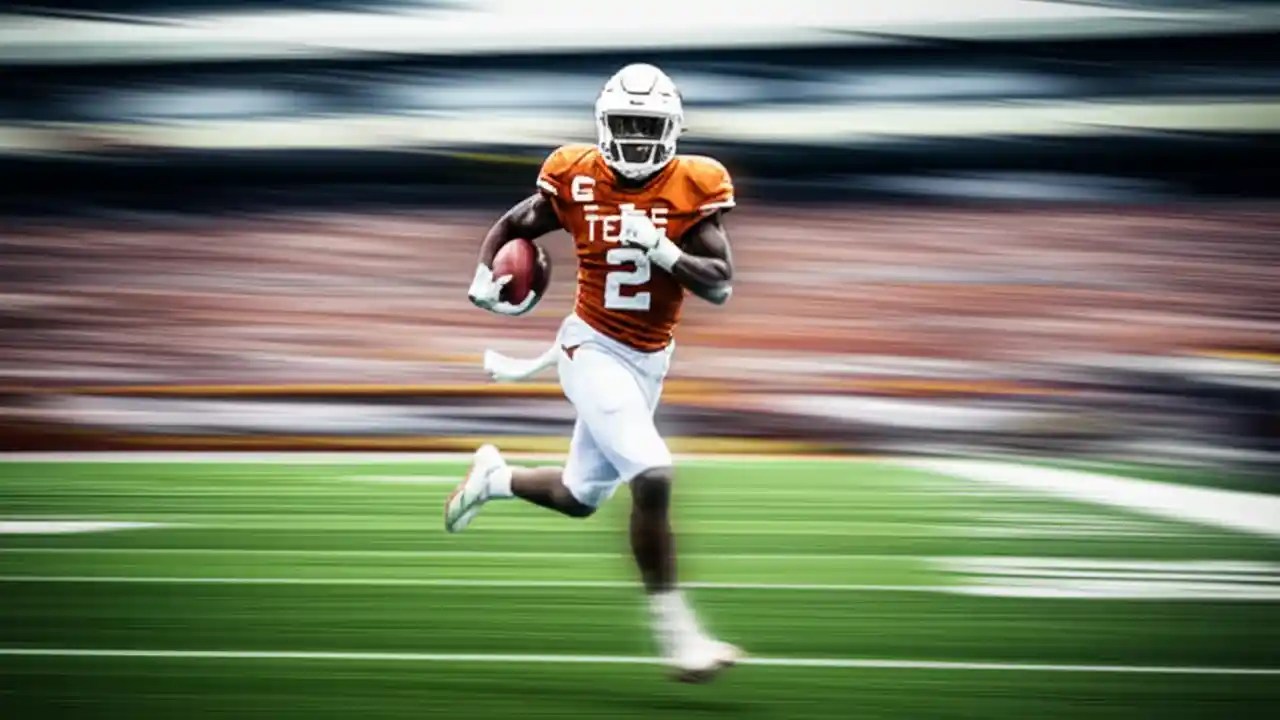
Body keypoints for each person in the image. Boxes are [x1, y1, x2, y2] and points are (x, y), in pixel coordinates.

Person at [447, 62, 740, 682]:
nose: (635, 138)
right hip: (590, 349)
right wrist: (483, 276)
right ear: (603, 125)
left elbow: (720, 286)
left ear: (673, 129)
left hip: (649, 361)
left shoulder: (695, 183)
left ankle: (493, 478)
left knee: (580, 497)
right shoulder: (576, 175)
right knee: (654, 473)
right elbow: (515, 225)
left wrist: (662, 248)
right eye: (625, 124)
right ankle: (680, 638)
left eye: (647, 126)